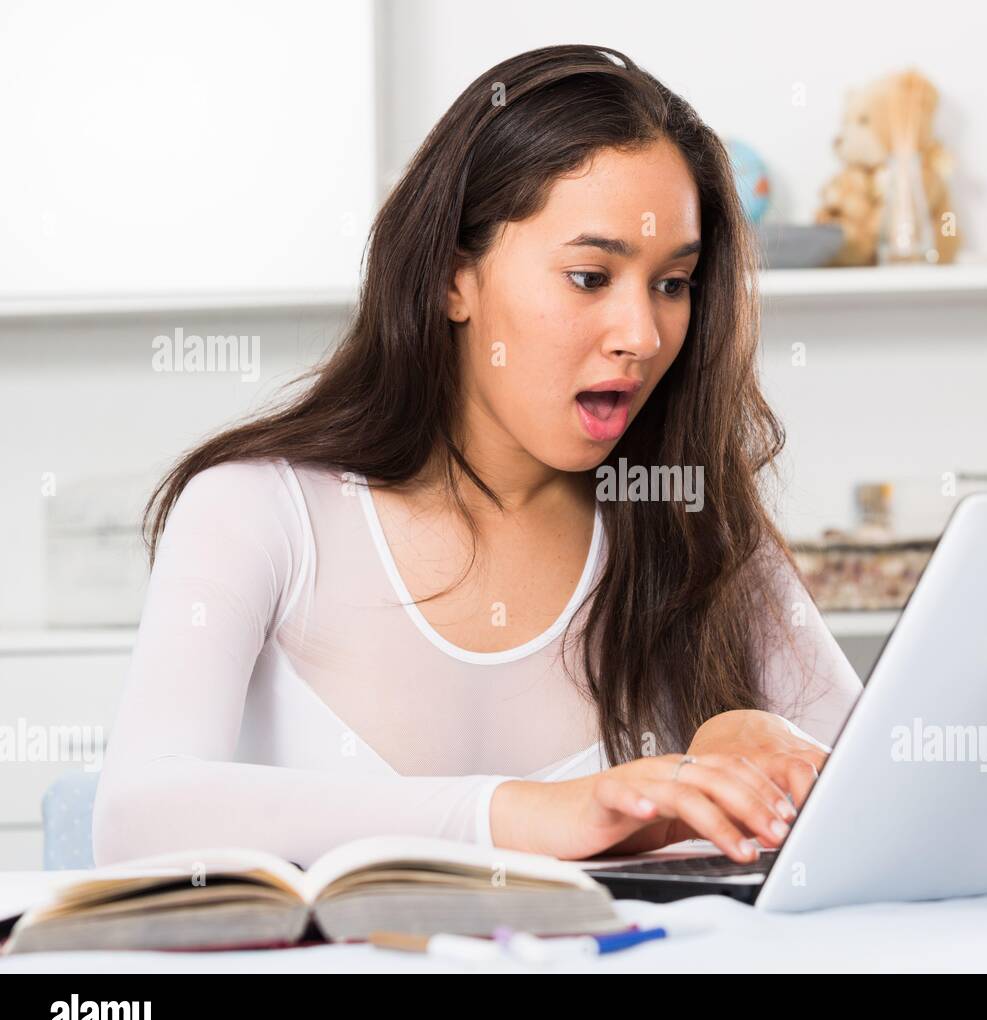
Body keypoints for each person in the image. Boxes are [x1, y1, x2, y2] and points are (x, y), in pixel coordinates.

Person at [91, 44, 861, 872]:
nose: (641, 335)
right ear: (455, 279)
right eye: (589, 275)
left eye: (673, 284)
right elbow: (136, 819)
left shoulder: (695, 523)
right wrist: (520, 816)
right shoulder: (258, 510)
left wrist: (758, 742)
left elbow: (920, 804)